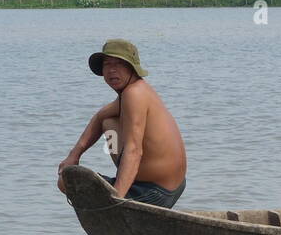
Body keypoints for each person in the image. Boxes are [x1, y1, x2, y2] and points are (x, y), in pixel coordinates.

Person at [56, 39, 188, 207]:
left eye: (119, 64)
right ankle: (123, 183)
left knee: (65, 183)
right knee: (108, 122)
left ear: (132, 68)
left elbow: (134, 150)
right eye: (107, 64)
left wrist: (116, 200)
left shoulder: (135, 94)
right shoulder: (134, 91)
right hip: (167, 185)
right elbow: (99, 116)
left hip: (154, 191)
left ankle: (121, 188)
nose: (112, 70)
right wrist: (74, 155)